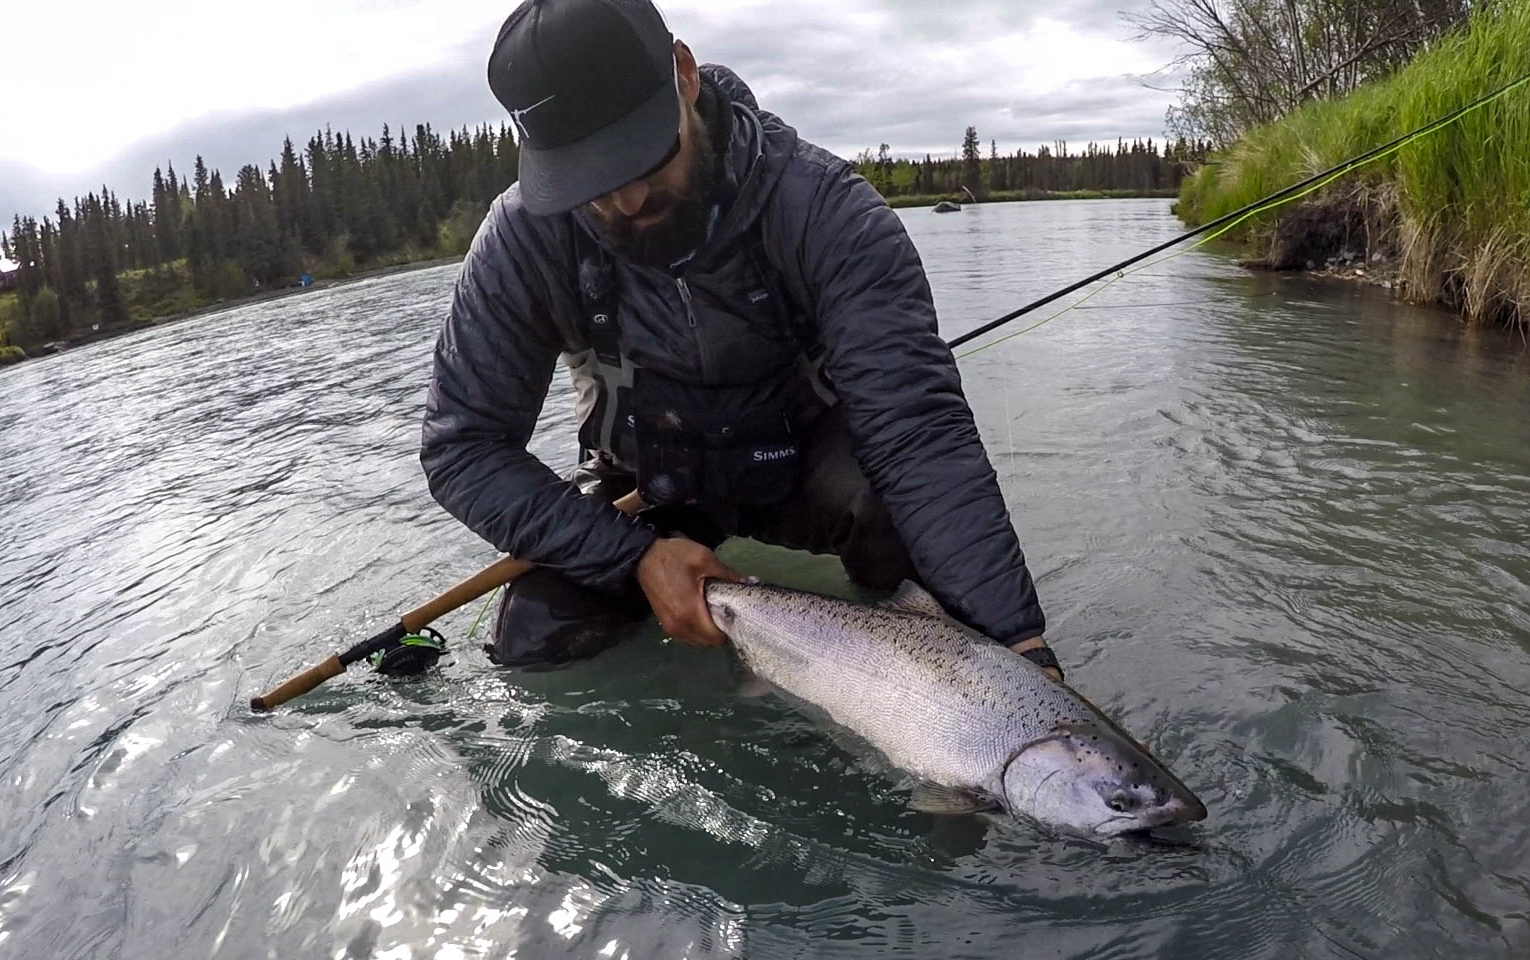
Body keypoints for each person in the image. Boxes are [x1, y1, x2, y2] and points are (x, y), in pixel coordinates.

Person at [420, 0, 1059, 679]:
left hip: (803, 464)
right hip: (647, 484)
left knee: (903, 523)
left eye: (642, 157)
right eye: (589, 184)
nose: (626, 202)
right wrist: (634, 558)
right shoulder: (523, 239)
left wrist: (1017, 646)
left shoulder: (827, 211)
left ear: (684, 73)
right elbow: (463, 448)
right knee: (533, 634)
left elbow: (917, 432)